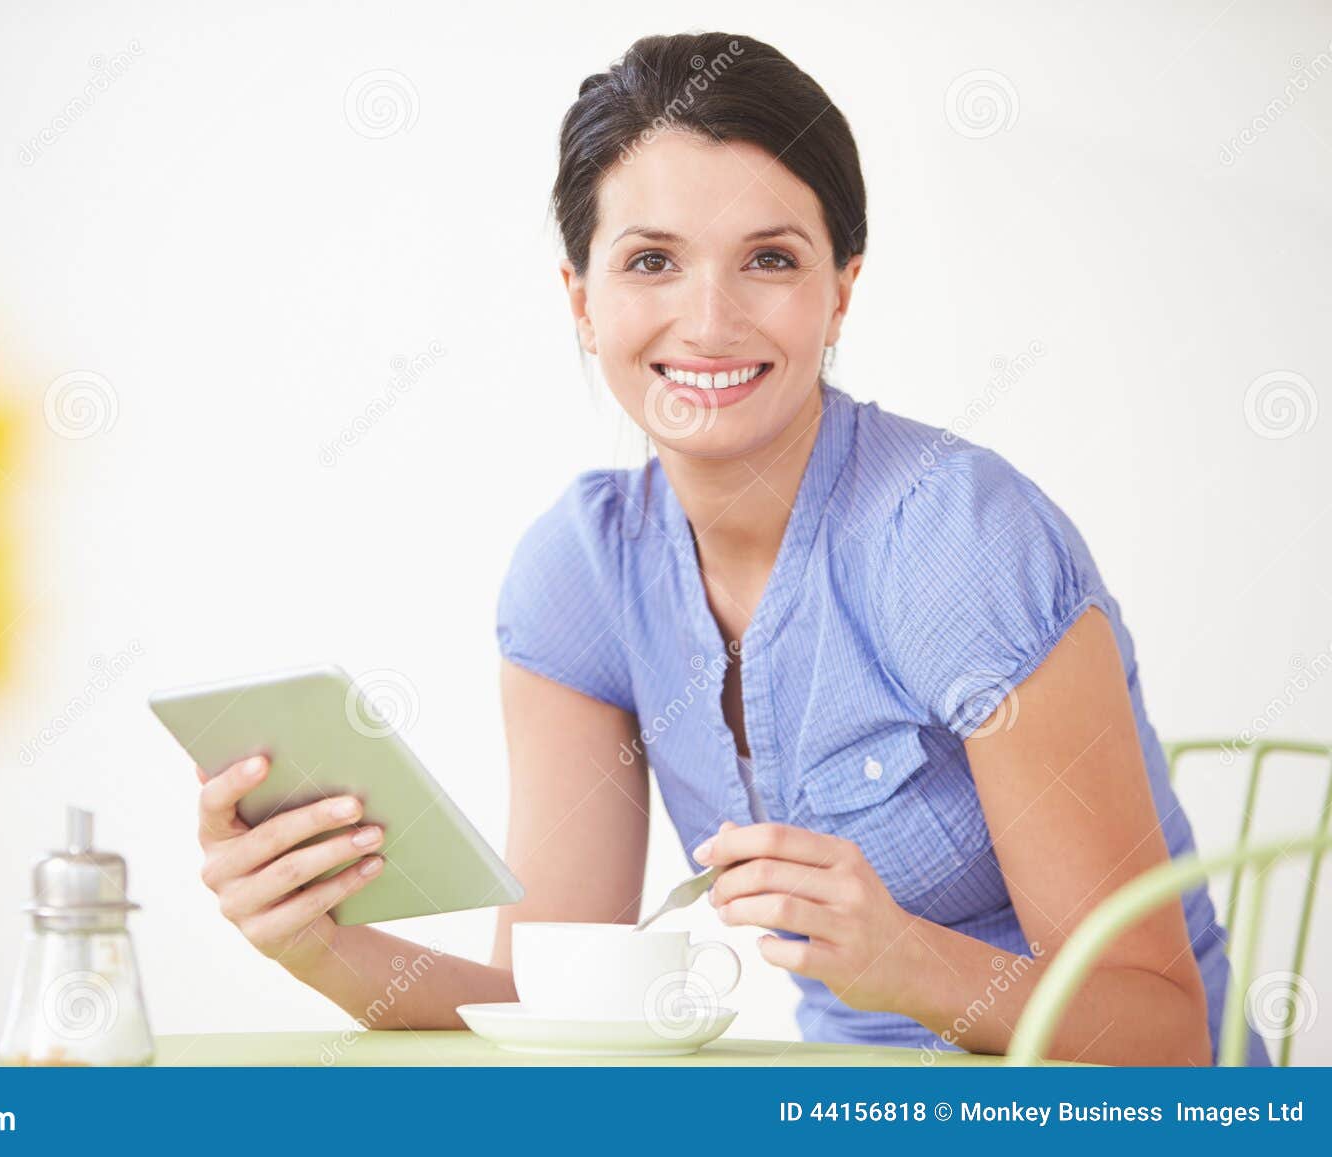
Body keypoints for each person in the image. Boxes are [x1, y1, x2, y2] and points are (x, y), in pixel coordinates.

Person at [194, 30, 1268, 1066]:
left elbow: (1167, 1036)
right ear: (581, 300)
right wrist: (318, 943)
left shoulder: (958, 540)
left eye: (769, 258)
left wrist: (908, 960)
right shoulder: (583, 574)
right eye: (651, 260)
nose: (708, 322)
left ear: (839, 291)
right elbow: (545, 1002)